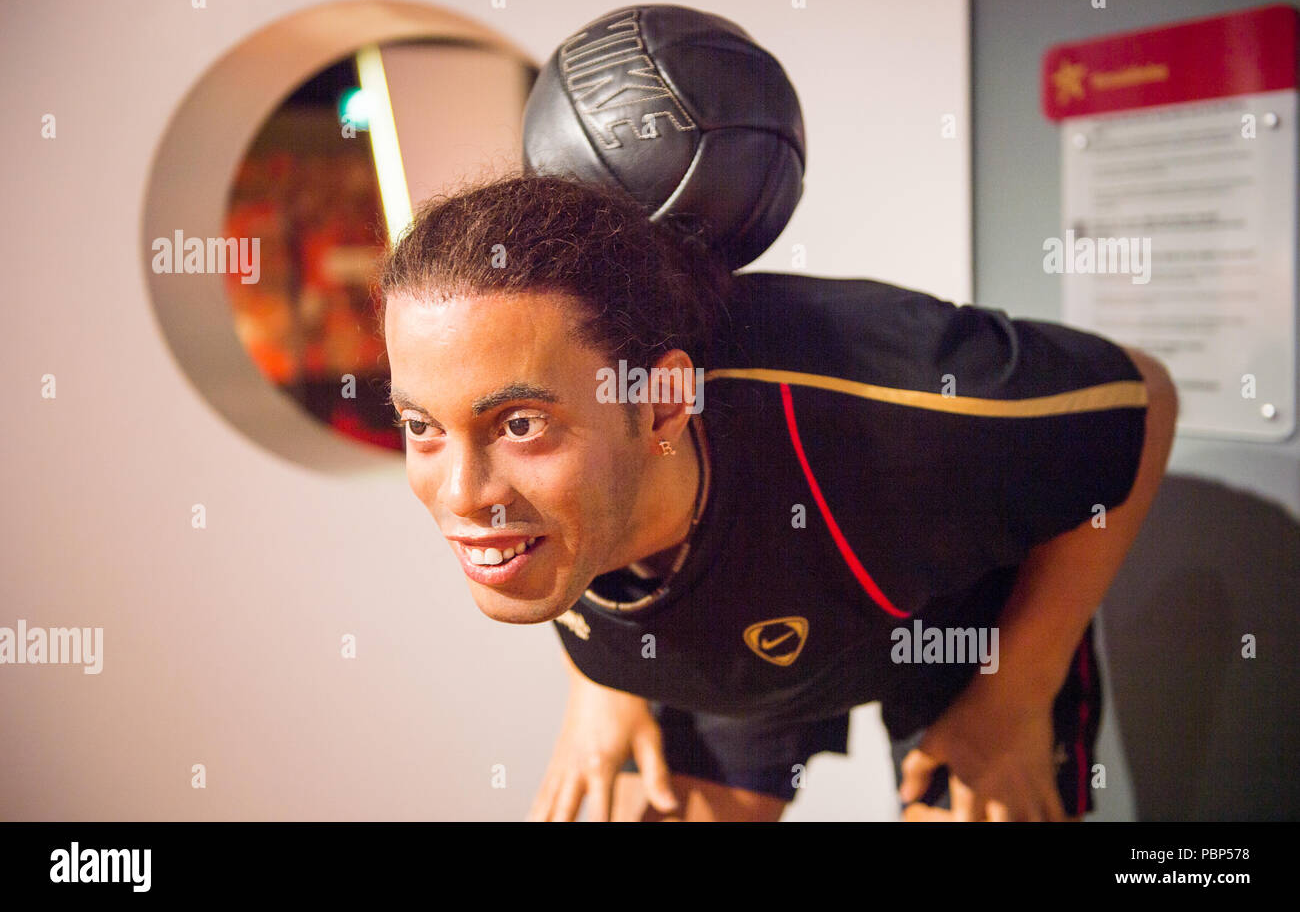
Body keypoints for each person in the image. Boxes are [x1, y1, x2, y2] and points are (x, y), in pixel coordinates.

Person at [379, 170, 1177, 822]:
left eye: (520, 423)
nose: (460, 493)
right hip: (721, 631)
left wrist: (1014, 696)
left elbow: (1144, 397)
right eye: (421, 425)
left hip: (947, 618)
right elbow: (552, 512)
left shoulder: (911, 403)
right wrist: (602, 682)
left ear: (661, 404)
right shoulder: (543, 505)